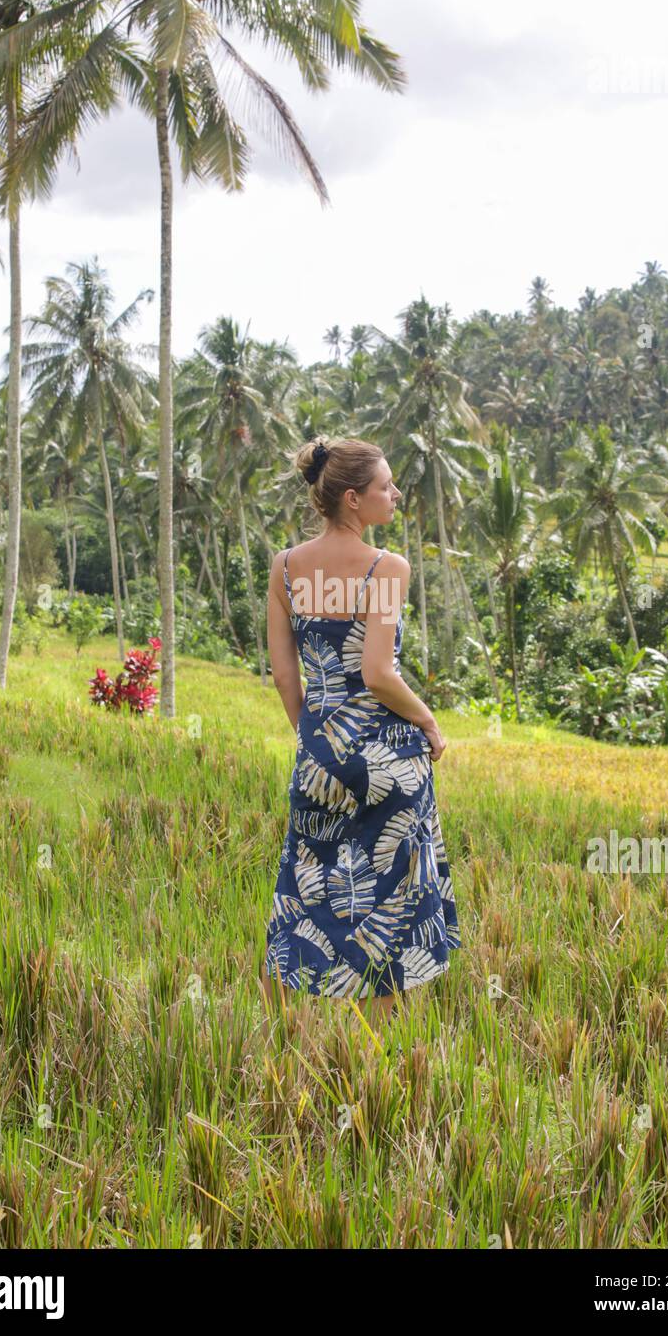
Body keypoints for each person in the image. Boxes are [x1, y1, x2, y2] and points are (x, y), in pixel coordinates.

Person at [260, 436, 460, 1032]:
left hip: (319, 752)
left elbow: (283, 674)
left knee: (303, 888)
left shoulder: (287, 567)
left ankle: (280, 1037)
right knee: (390, 900)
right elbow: (378, 672)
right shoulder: (386, 567)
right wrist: (426, 719)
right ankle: (372, 1053)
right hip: (388, 758)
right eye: (385, 487)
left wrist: (316, 740)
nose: (395, 494)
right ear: (353, 499)